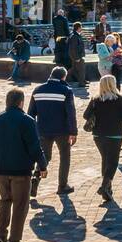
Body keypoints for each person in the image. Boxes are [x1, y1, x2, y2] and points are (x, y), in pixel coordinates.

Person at [0, 88, 47, 242]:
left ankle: (0, 233)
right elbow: (34, 147)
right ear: (21, 102)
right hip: (20, 170)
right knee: (20, 205)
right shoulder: (27, 120)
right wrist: (42, 165)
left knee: (5, 201)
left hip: (0, 170)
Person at [82, 75, 122, 202]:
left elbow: (85, 115)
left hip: (98, 135)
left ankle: (107, 189)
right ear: (113, 84)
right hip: (115, 134)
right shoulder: (119, 99)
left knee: (105, 160)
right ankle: (104, 186)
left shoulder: (95, 99)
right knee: (113, 162)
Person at [27, 65, 77, 199]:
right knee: (65, 157)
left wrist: (31, 131)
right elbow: (71, 113)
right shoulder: (66, 90)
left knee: (45, 157)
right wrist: (73, 132)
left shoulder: (37, 90)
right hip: (62, 130)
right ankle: (62, 186)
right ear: (63, 77)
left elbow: (31, 113)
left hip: (42, 130)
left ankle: (36, 177)